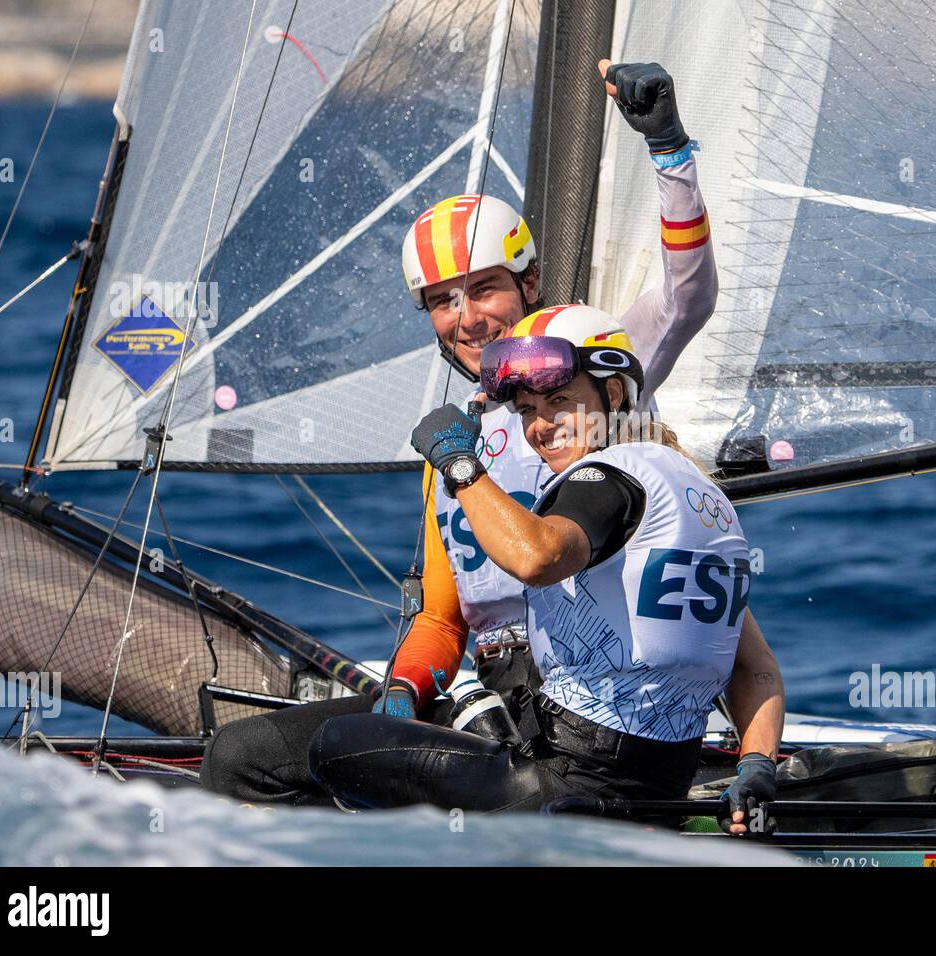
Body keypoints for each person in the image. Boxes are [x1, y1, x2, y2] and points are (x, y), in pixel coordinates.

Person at [201, 62, 783, 832]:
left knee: (350, 759)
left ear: (529, 280)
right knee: (240, 757)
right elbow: (443, 618)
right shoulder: (451, 447)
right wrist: (405, 693)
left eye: (484, 289)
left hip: (584, 714)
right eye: (443, 301)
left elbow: (687, 295)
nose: (467, 317)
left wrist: (669, 152)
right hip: (485, 706)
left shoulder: (587, 370)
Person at [310, 307, 780, 824]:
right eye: (528, 409)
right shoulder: (694, 492)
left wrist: (459, 465)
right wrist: (756, 763)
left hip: (565, 783)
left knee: (334, 745)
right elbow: (754, 666)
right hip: (655, 788)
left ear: (614, 395)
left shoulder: (606, 480)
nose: (541, 425)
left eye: (560, 400)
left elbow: (536, 557)